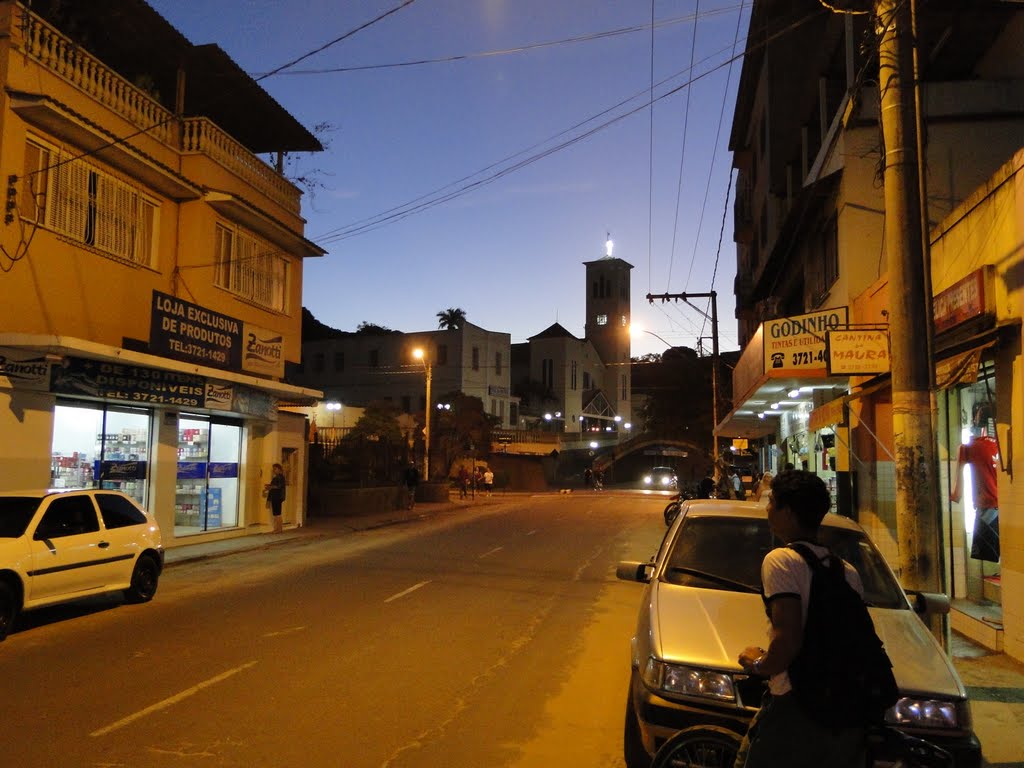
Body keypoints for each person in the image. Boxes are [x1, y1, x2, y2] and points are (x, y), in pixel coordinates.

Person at [734, 470, 867, 768]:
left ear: (789, 512)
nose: (767, 508)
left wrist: (758, 664)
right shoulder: (846, 571)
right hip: (844, 704)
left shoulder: (780, 561)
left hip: (795, 701)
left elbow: (788, 639)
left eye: (772, 502)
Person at [950, 428, 1000, 562]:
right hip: (1006, 508)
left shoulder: (967, 448)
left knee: (987, 556)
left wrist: (950, 496)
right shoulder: (1002, 445)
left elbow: (957, 492)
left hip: (987, 510)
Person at [264, 463, 287, 533]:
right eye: (273, 469)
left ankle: (278, 529)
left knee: (277, 513)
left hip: (277, 496)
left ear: (279, 469)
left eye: (275, 469)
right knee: (276, 513)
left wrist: (270, 487)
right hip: (276, 496)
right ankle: (277, 528)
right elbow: (275, 485)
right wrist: (269, 486)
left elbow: (278, 486)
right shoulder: (277, 477)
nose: (274, 470)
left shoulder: (280, 477)